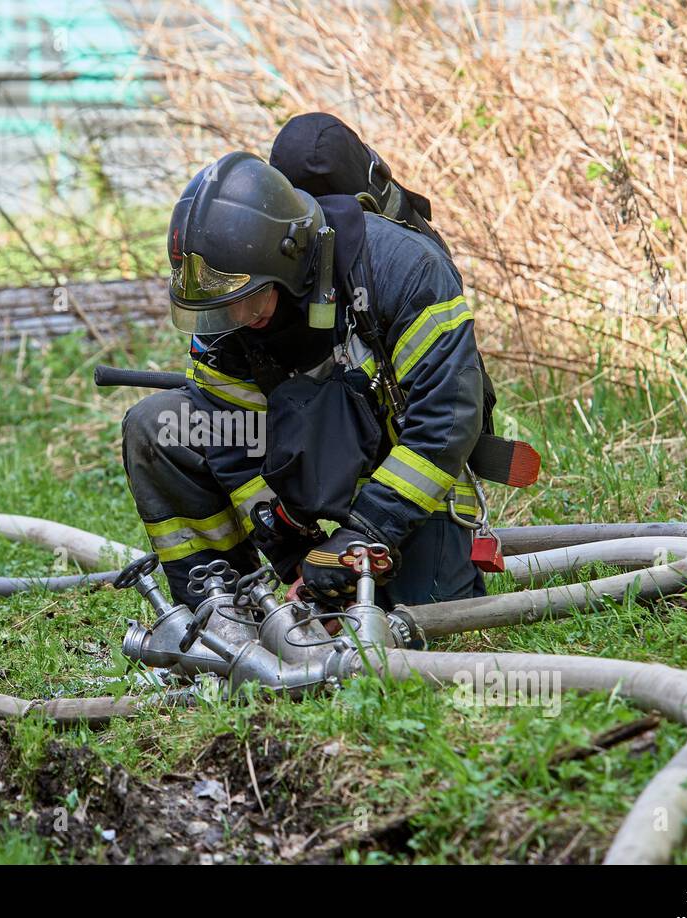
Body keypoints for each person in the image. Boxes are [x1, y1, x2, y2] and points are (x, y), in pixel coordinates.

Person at [122, 143, 487, 611]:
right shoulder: (228, 306)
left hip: (407, 475)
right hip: (303, 469)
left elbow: (446, 423)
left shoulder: (405, 269)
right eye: (220, 310)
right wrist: (297, 558)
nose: (234, 319)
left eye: (248, 302)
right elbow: (232, 436)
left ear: (287, 262)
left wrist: (364, 534)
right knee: (161, 426)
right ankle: (220, 610)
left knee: (416, 622)